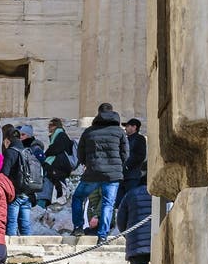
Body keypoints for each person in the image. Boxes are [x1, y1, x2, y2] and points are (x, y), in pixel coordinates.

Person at [71, 102, 129, 245]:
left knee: (78, 197)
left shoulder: (89, 131)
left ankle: (78, 227)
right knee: (108, 204)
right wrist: (118, 165)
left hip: (93, 172)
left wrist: (87, 163)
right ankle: (102, 236)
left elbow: (80, 153)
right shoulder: (119, 131)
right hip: (112, 175)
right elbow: (125, 153)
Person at [116, 179, 152, 264]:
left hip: (136, 240)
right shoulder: (161, 194)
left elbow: (120, 220)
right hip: (158, 240)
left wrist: (129, 235)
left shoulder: (131, 195)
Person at [0, 126, 32, 236]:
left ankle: (11, 248)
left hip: (15, 193)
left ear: (7, 140)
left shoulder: (10, 152)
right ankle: (28, 248)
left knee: (11, 223)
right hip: (28, 192)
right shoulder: (27, 151)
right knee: (25, 225)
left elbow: (4, 174)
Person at [36, 117, 75, 209]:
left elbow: (56, 148)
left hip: (59, 165)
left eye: (50, 125)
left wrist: (47, 153)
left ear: (55, 126)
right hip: (58, 165)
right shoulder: (58, 135)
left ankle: (54, 201)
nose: (48, 127)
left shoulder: (61, 135)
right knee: (55, 181)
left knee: (55, 181)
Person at [117, 118, 147, 207]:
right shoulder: (125, 140)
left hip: (132, 175)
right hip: (121, 175)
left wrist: (127, 166)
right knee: (119, 202)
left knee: (131, 200)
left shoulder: (139, 139)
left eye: (127, 126)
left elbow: (140, 155)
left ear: (134, 127)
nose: (125, 128)